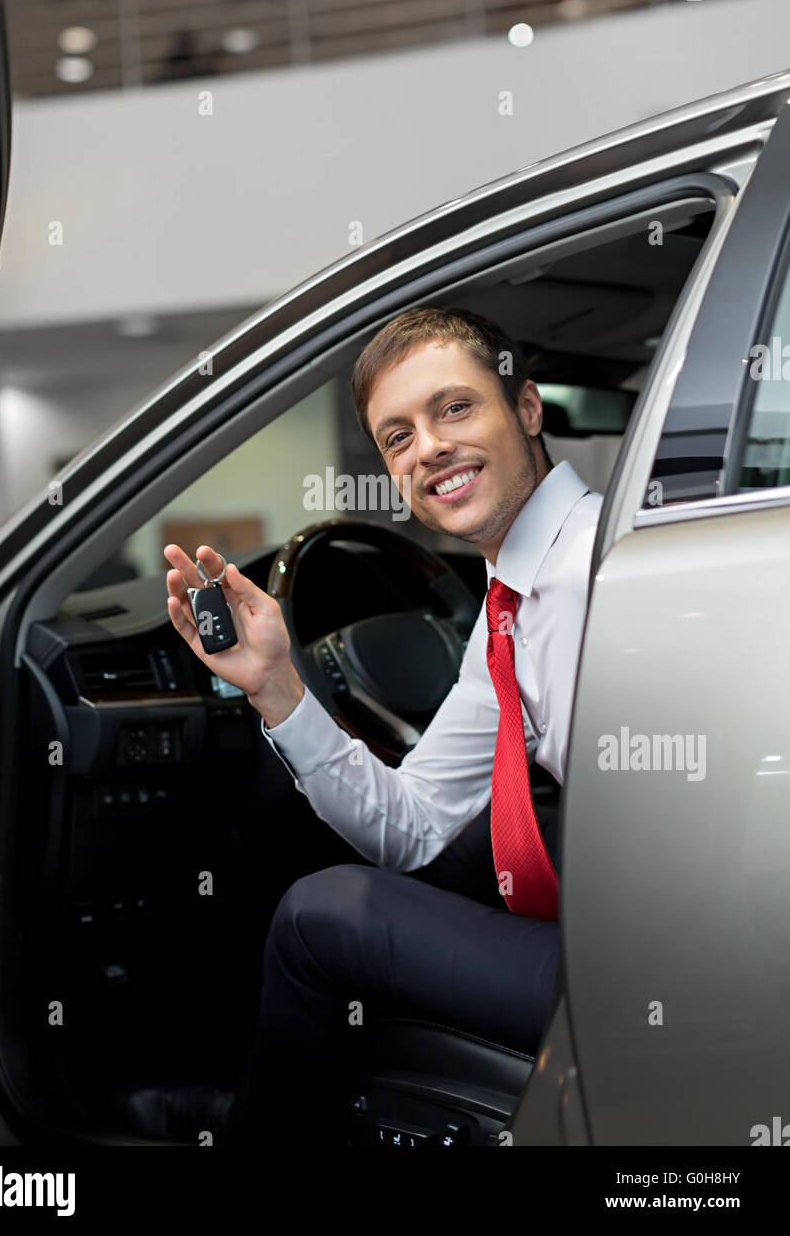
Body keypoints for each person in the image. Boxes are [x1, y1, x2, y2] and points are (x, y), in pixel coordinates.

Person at [148, 306, 602, 1147]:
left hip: (656, 966)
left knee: (321, 916)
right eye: (397, 437)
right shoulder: (512, 602)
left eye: (455, 408)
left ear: (528, 409)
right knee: (458, 852)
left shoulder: (591, 575)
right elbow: (416, 827)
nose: (427, 448)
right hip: (638, 925)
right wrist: (278, 684)